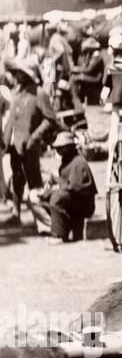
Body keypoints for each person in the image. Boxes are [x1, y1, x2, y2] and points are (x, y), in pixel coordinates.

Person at [3, 57, 59, 226]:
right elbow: (12, 119)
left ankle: (42, 218)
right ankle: (16, 212)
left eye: (21, 73)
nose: (18, 75)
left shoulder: (39, 94)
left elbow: (50, 119)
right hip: (14, 143)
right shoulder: (17, 93)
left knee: (34, 180)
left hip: (29, 144)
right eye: (17, 72)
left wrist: (35, 137)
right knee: (17, 178)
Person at [33, 131, 96, 243]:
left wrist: (55, 189)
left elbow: (75, 187)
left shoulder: (79, 162)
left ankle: (59, 235)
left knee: (56, 197)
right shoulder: (66, 161)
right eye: (57, 148)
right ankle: (57, 227)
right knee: (36, 198)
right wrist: (51, 182)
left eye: (62, 148)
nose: (59, 151)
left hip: (83, 204)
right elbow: (64, 180)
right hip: (71, 199)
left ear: (70, 147)